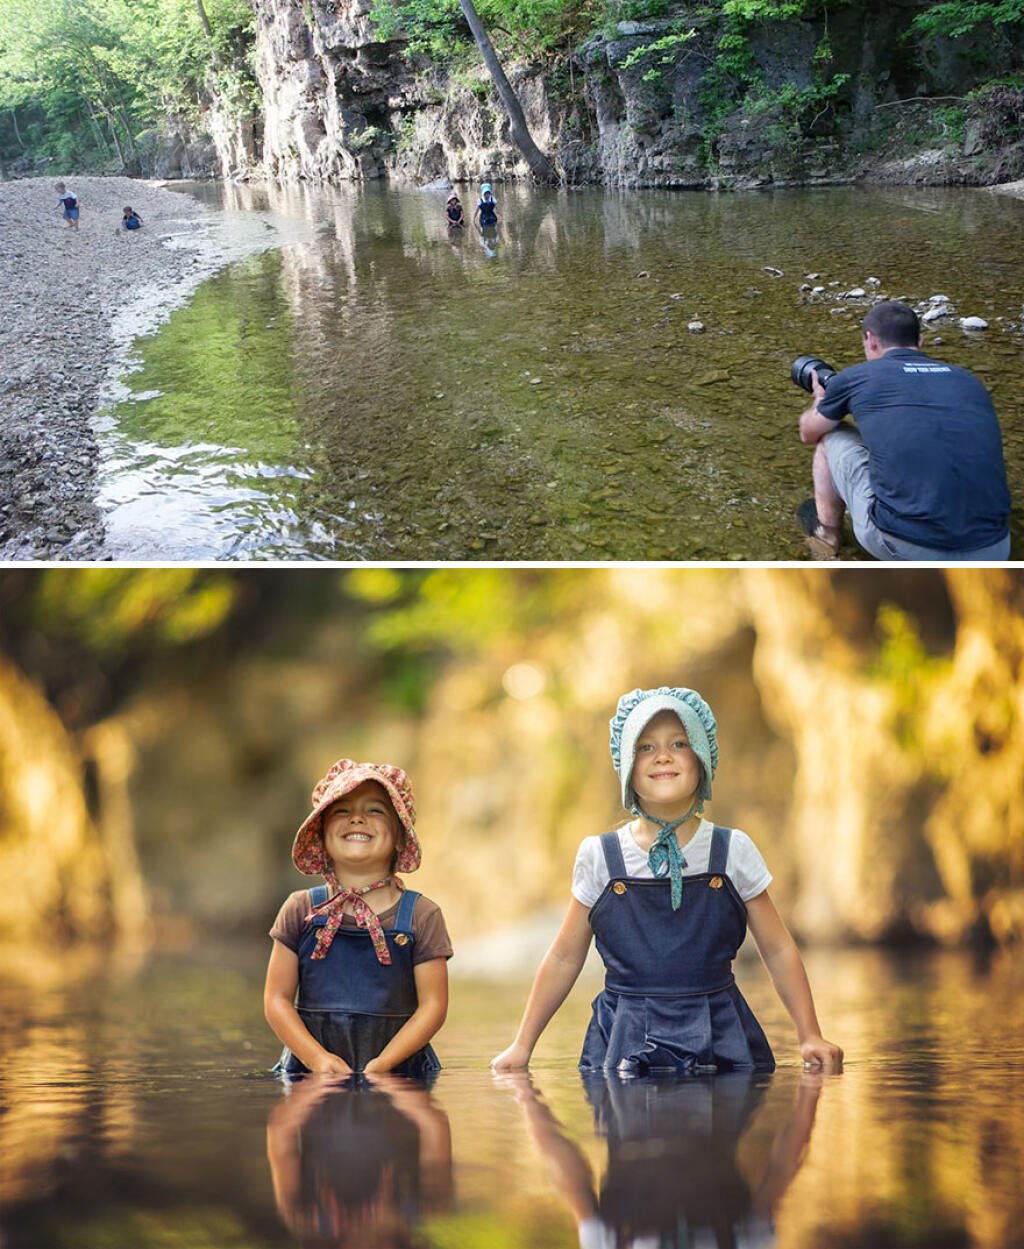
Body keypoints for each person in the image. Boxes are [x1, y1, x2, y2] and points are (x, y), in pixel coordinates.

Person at [491, 686, 843, 1076]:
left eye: (679, 742)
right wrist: (522, 1046)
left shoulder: (731, 850)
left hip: (721, 1034)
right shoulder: (600, 857)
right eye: (645, 747)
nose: (662, 756)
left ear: (703, 757)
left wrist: (809, 1034)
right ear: (625, 765)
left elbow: (776, 950)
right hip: (624, 1038)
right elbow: (563, 957)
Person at [265, 757, 452, 1079]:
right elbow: (277, 999)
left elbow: (433, 1007)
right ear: (321, 835)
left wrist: (384, 1064)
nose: (357, 819)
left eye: (375, 810)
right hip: (310, 1072)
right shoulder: (300, 909)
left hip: (401, 1071)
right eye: (342, 810)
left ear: (398, 837)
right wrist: (317, 1059)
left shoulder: (422, 915)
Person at [498, 1069, 823, 1249]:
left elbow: (570, 1181)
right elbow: (780, 1171)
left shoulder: (608, 1243)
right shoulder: (746, 1242)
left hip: (713, 1046)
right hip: (632, 1050)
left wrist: (529, 1105)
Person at [797, 300, 1011, 561]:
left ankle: (826, 537)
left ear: (870, 340)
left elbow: (808, 433)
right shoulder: (968, 380)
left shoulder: (856, 377)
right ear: (920, 341)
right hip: (995, 548)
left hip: (904, 546)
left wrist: (821, 398)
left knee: (828, 438)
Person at [266, 1072, 454, 1249]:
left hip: (316, 1072)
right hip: (401, 1074)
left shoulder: (308, 1215)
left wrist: (316, 1082)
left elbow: (280, 1131)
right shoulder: (417, 1209)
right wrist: (394, 1084)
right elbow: (435, 1126)